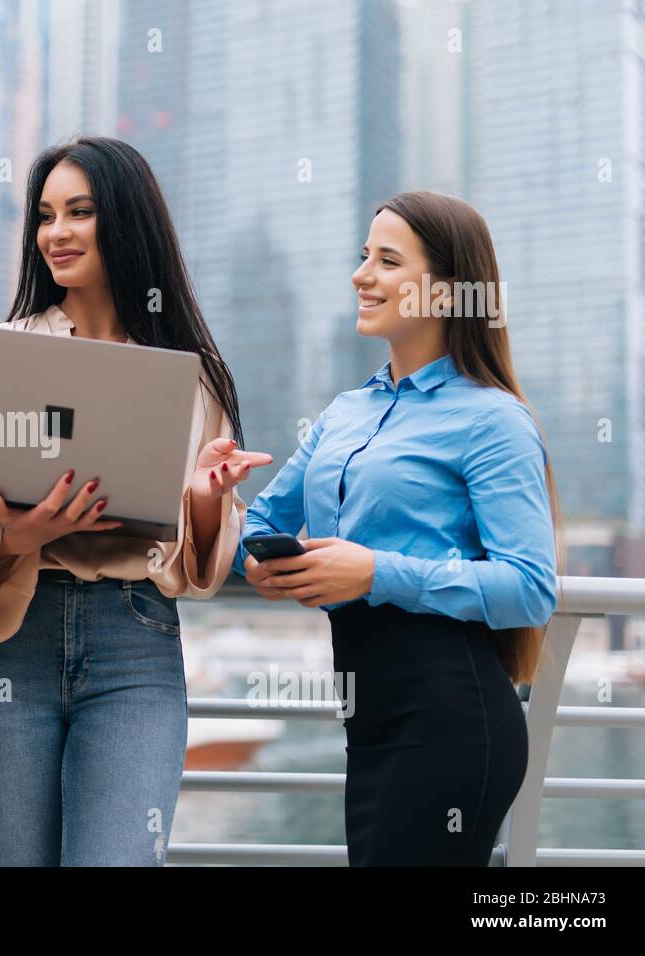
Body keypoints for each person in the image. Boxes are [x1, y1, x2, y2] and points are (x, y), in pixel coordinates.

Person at [0, 137, 272, 866]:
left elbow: (200, 562)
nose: (56, 232)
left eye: (79, 212)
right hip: (9, 649)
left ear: (125, 219)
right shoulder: (1, 352)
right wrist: (19, 537)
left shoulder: (192, 376)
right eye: (46, 215)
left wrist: (203, 498)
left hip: (134, 647)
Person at [237, 190, 560, 866]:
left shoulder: (492, 419)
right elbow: (263, 522)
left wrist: (376, 572)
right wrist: (241, 531)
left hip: (453, 717)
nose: (361, 275)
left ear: (447, 294)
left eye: (387, 260)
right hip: (370, 718)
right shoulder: (345, 412)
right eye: (363, 257)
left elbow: (529, 588)